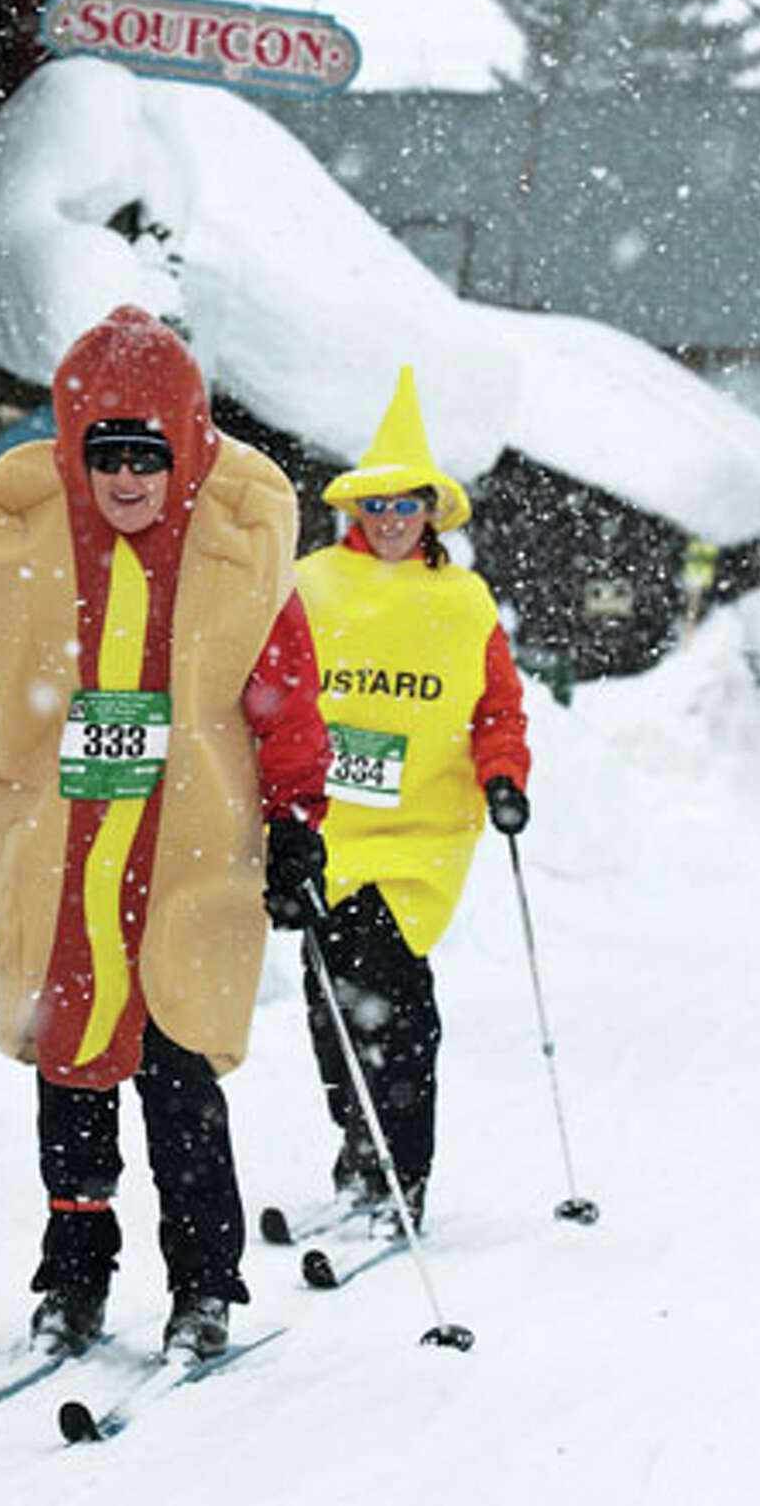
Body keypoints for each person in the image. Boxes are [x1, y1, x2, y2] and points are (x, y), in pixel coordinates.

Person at [0, 306, 329, 1361]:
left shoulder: (241, 553)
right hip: (61, 864)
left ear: (188, 454)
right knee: (70, 1083)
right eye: (106, 458)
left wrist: (298, 823)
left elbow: (286, 700)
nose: (128, 481)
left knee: (179, 1085)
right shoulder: (21, 541)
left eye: (149, 459)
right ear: (76, 457)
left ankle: (204, 1286)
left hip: (189, 859)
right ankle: (72, 1281)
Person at [290, 366, 530, 1233]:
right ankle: (360, 1157)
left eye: (407, 505)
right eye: (377, 506)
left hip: (421, 833)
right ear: (357, 511)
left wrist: (505, 777)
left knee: (397, 1006)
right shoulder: (310, 585)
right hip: (324, 832)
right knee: (328, 1006)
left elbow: (497, 706)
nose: (391, 521)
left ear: (432, 510)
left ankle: (403, 1173)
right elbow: (272, 695)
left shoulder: (463, 601)